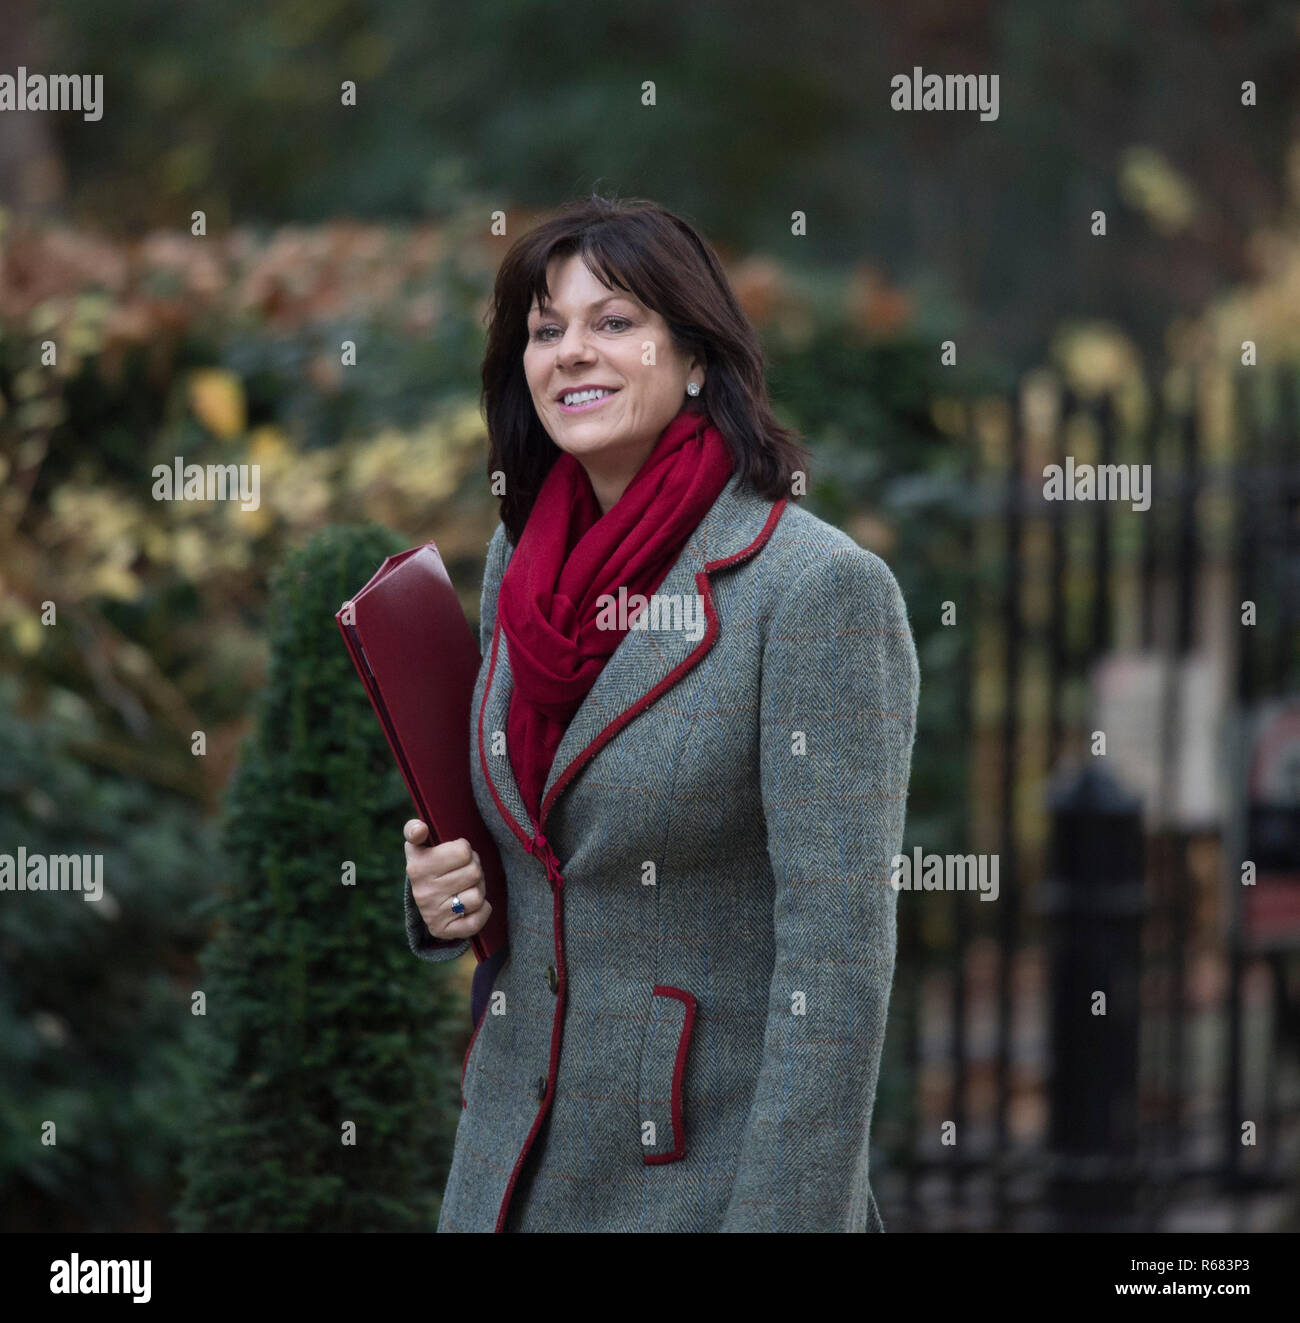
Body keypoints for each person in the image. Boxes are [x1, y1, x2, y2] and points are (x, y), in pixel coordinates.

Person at [401, 194, 920, 1232]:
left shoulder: (812, 590)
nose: (570, 353)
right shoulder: (519, 568)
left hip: (700, 1186)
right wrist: (436, 897)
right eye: (546, 331)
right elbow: (528, 854)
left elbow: (838, 965)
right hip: (505, 1177)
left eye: (614, 321)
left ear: (695, 358)